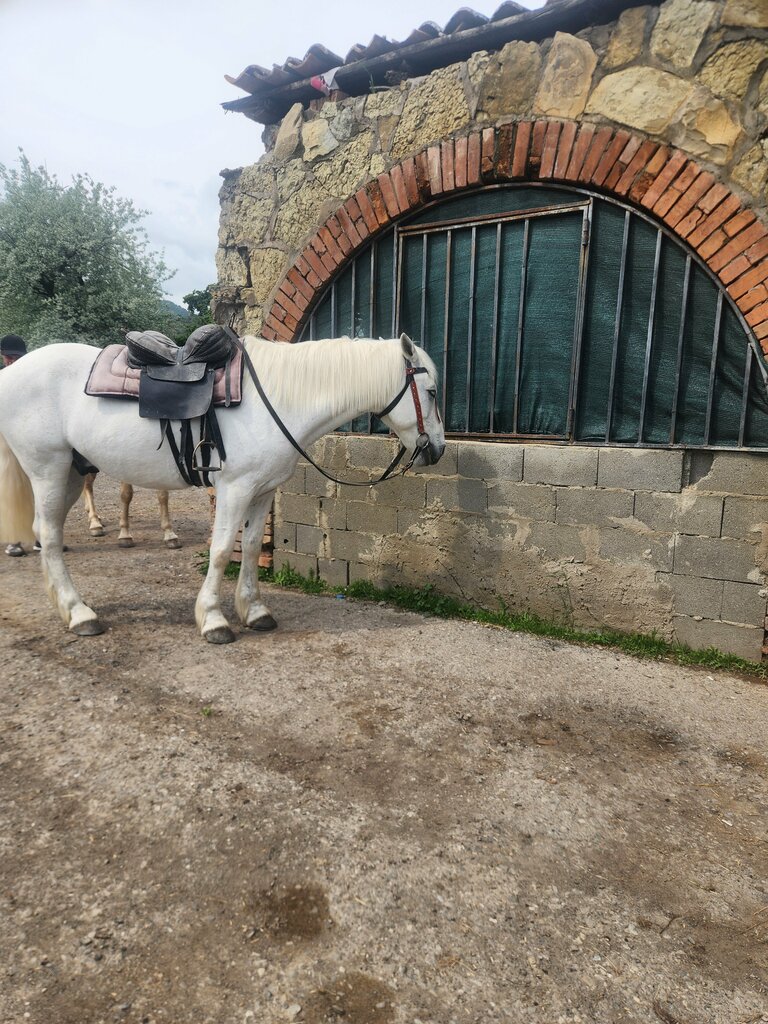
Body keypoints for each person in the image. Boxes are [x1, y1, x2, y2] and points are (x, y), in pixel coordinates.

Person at [1, 334, 36, 556]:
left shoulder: (31, 379)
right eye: (8, 357)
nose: (12, 361)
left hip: (29, 442)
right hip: (5, 443)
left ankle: (40, 536)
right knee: (8, 489)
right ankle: (13, 538)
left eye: (16, 357)